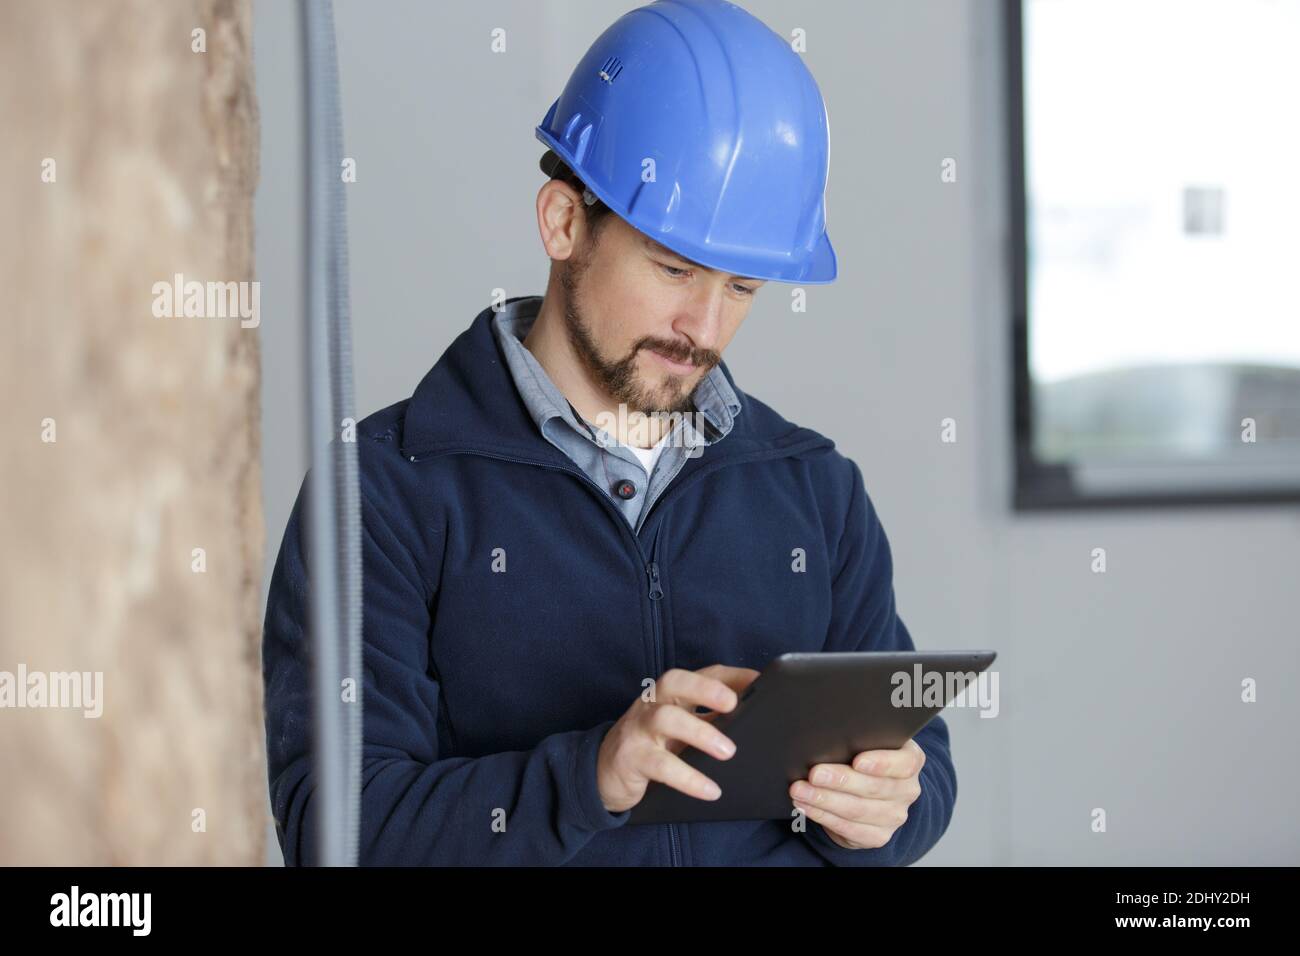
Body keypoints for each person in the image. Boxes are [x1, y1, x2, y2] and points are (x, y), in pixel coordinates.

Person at [262, 0, 955, 866]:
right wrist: (591, 779)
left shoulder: (813, 489)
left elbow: (923, 778)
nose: (703, 325)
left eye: (742, 288)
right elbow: (340, 831)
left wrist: (890, 807)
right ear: (563, 222)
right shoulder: (382, 494)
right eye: (673, 267)